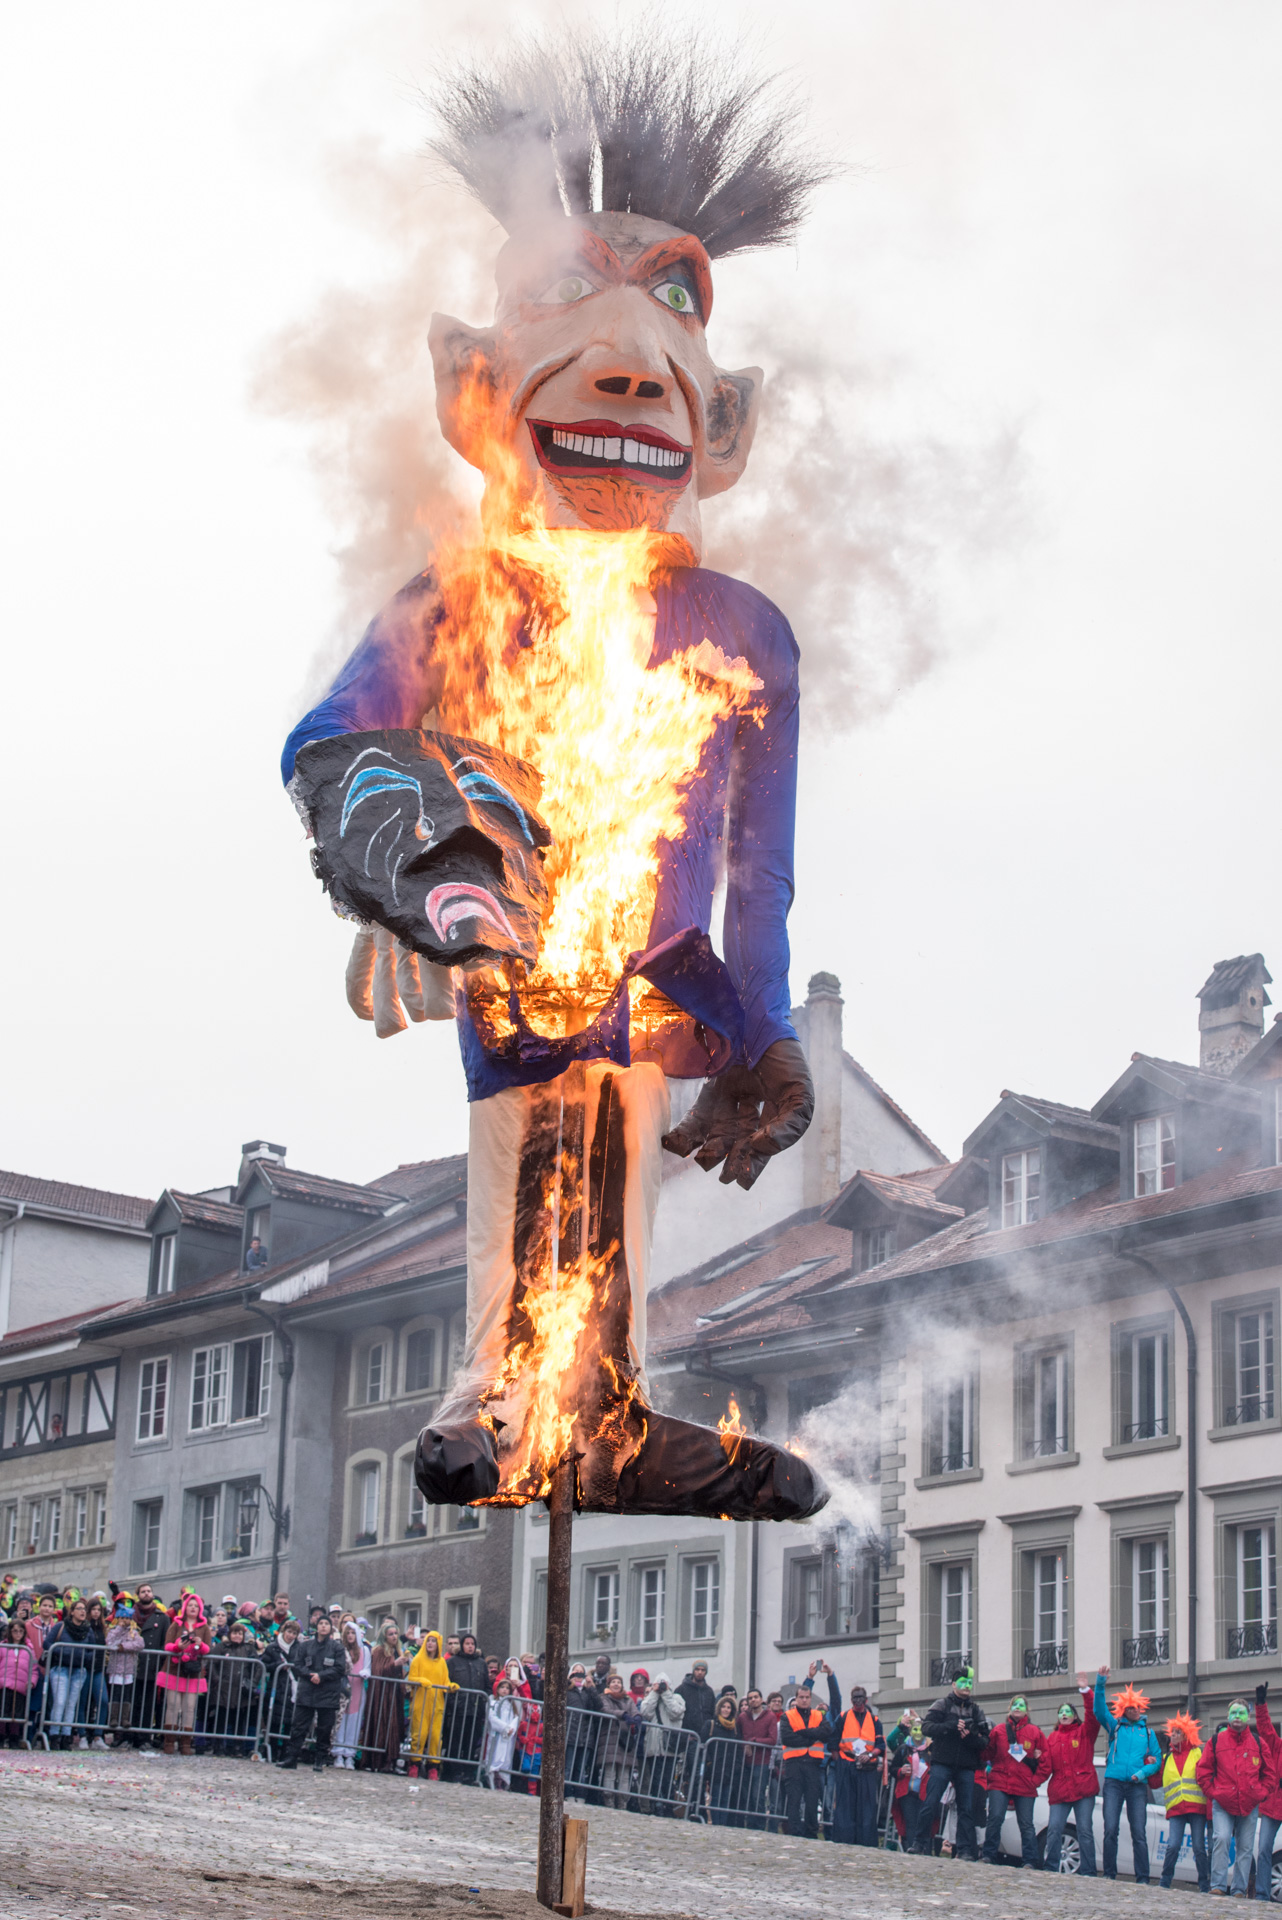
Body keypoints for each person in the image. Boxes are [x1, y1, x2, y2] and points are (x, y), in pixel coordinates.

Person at [1197, 1697, 1270, 1897]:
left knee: (1245, 1848)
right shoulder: (1216, 1740)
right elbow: (1202, 1771)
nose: (1237, 1716)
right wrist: (1213, 1792)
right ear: (1228, 1716)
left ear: (1248, 1716)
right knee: (1221, 1838)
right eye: (1234, 1713)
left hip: (1249, 1804)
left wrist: (1260, 1793)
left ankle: (1239, 1889)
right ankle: (1218, 1886)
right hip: (1223, 1803)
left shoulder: (1258, 1742)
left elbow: (1269, 1774)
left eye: (1241, 1713)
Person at [915, 1667, 990, 1861]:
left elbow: (984, 1741)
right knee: (931, 1802)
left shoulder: (976, 1710)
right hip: (942, 1762)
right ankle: (920, 1842)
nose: (967, 1686)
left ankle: (964, 1849)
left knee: (966, 1808)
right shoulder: (942, 1705)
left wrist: (969, 1737)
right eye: (963, 1683)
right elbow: (926, 1727)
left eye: (969, 1683)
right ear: (954, 1684)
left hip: (966, 1765)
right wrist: (950, 1726)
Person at [1094, 1668, 1159, 1885]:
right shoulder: (1115, 1726)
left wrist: (1141, 1773)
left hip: (1137, 1786)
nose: (1136, 1711)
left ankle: (1143, 1878)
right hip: (1113, 1782)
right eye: (1132, 1708)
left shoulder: (1148, 1733)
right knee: (1110, 1828)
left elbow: (1157, 1760)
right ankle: (1110, 1874)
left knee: (1138, 1832)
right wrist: (1100, 1683)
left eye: (1138, 1707)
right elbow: (1099, 1710)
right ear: (1124, 1710)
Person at [981, 1692, 1049, 1867]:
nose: (1017, 1708)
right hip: (1000, 1782)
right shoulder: (998, 1731)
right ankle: (988, 1855)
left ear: (1027, 1710)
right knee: (995, 1818)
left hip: (1025, 1786)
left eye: (1021, 1705)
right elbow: (986, 1754)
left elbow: (1046, 1762)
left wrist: (1034, 1781)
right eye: (1014, 1705)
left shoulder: (1035, 1732)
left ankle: (1030, 1861)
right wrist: (982, 1740)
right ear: (1009, 1709)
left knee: (1026, 1824)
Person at [1044, 1676, 1100, 1876]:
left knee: (1084, 1830)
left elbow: (1093, 1716)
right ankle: (1051, 1868)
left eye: (1068, 1711)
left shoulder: (1085, 1732)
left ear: (1075, 1716)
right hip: (1060, 1791)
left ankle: (1088, 1870)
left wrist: (1086, 1691)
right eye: (1061, 1712)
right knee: (1054, 1829)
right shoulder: (1052, 1738)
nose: (1064, 1714)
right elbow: (1045, 1765)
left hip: (1083, 1790)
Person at [780, 1666, 841, 1840]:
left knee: (812, 1800)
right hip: (794, 1763)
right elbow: (787, 1738)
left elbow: (826, 1732)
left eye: (807, 1697)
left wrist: (804, 1734)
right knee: (794, 1799)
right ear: (796, 1698)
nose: (805, 1700)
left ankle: (811, 1832)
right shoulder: (788, 1716)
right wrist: (812, 1737)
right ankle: (795, 1832)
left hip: (813, 1763)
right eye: (801, 1697)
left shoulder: (818, 1715)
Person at [280, 1614, 347, 1771]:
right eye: (321, 1623)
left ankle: (319, 1760)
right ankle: (291, 1758)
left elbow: (339, 1668)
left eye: (326, 1623)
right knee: (298, 1726)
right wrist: (310, 1675)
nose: (323, 1626)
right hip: (307, 1691)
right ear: (317, 1627)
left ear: (331, 1628)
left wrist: (321, 1676)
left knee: (324, 1729)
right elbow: (298, 1664)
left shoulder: (337, 1648)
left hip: (328, 1693)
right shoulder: (305, 1645)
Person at [1159, 1711, 1209, 1893]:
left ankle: (1204, 1884)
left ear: (1186, 1735)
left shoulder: (1197, 1753)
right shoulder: (1167, 1758)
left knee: (1198, 1847)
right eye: (1172, 1732)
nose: (1173, 1735)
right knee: (1173, 1845)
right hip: (1176, 1808)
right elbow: (1157, 1782)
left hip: (1196, 1806)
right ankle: (1165, 1881)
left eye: (1177, 1732)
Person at [157, 1591, 211, 1757]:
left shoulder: (204, 1627)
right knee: (173, 1705)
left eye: (196, 1606)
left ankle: (186, 1743)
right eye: (190, 1605)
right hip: (174, 1669)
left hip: (193, 1672)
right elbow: (167, 1645)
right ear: (185, 1608)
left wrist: (200, 1645)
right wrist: (177, 1647)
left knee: (189, 1707)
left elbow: (208, 1649)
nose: (193, 1608)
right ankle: (169, 1741)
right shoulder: (176, 1624)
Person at [832, 1681, 885, 1847]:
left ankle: (866, 1842)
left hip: (867, 1768)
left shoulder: (875, 1721)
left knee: (867, 1805)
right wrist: (840, 1762)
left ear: (866, 1700)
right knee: (845, 1804)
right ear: (851, 1700)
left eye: (861, 1698)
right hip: (847, 1764)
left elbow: (881, 1746)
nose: (858, 1701)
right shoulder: (842, 1717)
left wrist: (869, 1755)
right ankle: (844, 1839)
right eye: (855, 1698)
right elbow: (833, 1743)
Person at [43, 1598, 99, 1750]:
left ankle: (66, 1737)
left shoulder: (88, 1630)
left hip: (79, 1670)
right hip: (61, 1668)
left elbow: (93, 1650)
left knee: (71, 1704)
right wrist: (63, 1651)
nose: (82, 1611)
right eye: (79, 1608)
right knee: (60, 1702)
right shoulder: (61, 1626)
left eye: (84, 1609)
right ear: (72, 1611)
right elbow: (47, 1643)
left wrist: (83, 1656)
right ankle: (54, 1735)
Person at [362, 1619, 410, 1772]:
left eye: (396, 1633)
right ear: (384, 1636)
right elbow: (378, 1671)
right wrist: (394, 1664)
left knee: (394, 1726)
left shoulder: (397, 1650)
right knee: (380, 1724)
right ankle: (376, 1760)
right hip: (380, 1695)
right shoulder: (378, 1650)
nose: (394, 1637)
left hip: (394, 1693)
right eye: (391, 1634)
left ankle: (390, 1760)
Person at [205, 1619, 257, 1757]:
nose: (237, 1636)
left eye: (240, 1633)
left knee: (238, 1721)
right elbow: (211, 1663)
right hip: (223, 1689)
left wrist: (252, 1683)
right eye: (234, 1633)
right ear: (230, 1634)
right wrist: (217, 1680)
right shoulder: (222, 1647)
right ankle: (218, 1747)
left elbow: (257, 1666)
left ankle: (235, 1747)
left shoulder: (249, 1649)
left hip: (241, 1690)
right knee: (220, 1719)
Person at [128, 1583, 170, 1749]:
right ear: (138, 1595)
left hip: (152, 1666)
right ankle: (130, 1735)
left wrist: (160, 1665)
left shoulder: (162, 1617)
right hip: (132, 1665)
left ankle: (144, 1737)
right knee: (131, 1702)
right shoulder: (130, 1615)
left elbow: (164, 1643)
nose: (146, 1593)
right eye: (143, 1591)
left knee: (148, 1703)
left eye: (149, 1591)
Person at [444, 1629, 489, 1781]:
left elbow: (486, 1686)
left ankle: (469, 1773)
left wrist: (483, 1703)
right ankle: (453, 1772)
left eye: (472, 1644)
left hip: (475, 1709)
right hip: (457, 1709)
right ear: (462, 1645)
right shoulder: (452, 1662)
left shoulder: (481, 1663)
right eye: (467, 1643)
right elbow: (446, 1683)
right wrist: (452, 1702)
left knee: (471, 1742)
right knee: (455, 1741)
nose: (470, 1646)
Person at [408, 1629, 454, 1779]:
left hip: (437, 1704)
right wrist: (420, 1680)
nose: (430, 1643)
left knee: (435, 1737)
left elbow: (445, 1680)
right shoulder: (418, 1659)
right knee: (419, 1735)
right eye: (428, 1640)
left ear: (438, 1644)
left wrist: (451, 1686)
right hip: (421, 1703)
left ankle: (433, 1767)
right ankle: (414, 1763)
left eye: (433, 1641)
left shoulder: (442, 1662)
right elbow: (411, 1677)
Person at [639, 1673, 687, 1816]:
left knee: (668, 1779)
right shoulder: (651, 1698)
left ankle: (667, 1807)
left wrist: (665, 1693)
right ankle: (656, 1806)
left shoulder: (676, 1698)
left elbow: (676, 1712)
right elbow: (645, 1712)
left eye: (663, 1683)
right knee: (654, 1778)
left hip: (670, 1748)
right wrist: (654, 1693)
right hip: (654, 1746)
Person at [104, 1596, 145, 1750]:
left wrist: (124, 1646)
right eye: (121, 1618)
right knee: (116, 1693)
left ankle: (125, 1718)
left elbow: (139, 1644)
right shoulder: (114, 1631)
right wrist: (119, 1629)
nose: (124, 1621)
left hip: (128, 1669)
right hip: (116, 1668)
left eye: (126, 1619)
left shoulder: (134, 1633)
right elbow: (109, 1642)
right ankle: (114, 1718)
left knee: (126, 1694)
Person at [737, 1688, 781, 1831]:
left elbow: (773, 1740)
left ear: (761, 1699)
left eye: (756, 1697)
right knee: (747, 1795)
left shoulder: (770, 1717)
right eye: (750, 1698)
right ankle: (749, 1826)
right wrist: (745, 1744)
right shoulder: (743, 1717)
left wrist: (754, 1741)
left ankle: (760, 1827)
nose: (753, 1700)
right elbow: (738, 1736)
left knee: (758, 1796)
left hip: (762, 1762)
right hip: (746, 1762)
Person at [887, 1712, 931, 1852]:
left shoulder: (931, 1750)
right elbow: (893, 1768)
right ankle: (913, 1849)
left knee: (925, 1823)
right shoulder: (903, 1749)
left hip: (925, 1793)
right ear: (910, 1731)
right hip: (908, 1793)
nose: (918, 1733)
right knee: (911, 1823)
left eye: (920, 1729)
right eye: (915, 1729)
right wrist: (900, 1771)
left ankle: (927, 1852)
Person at [261, 1618, 303, 1763]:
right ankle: (271, 1750)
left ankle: (286, 1752)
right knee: (274, 1721)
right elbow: (264, 1665)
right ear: (284, 1631)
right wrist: (278, 1665)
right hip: (276, 1688)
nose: (291, 1635)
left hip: (292, 1690)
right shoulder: (273, 1647)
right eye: (289, 1632)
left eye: (294, 1633)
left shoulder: (299, 1648)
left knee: (290, 1723)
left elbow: (303, 1666)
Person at [597, 1673, 639, 1809]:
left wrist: (637, 1717)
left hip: (625, 1740)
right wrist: (623, 1714)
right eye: (613, 1682)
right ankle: (609, 1801)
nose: (616, 1684)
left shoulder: (628, 1700)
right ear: (608, 1684)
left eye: (619, 1682)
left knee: (624, 1774)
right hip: (610, 1738)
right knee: (610, 1772)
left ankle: (623, 1802)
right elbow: (605, 1710)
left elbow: (635, 1711)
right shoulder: (603, 1698)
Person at [566, 1663, 606, 1801]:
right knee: (568, 1767)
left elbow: (599, 1706)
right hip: (570, 1734)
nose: (578, 1677)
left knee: (581, 1769)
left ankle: (580, 1795)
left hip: (586, 1735)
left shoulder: (588, 1692)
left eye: (581, 1674)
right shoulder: (567, 1691)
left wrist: (592, 1688)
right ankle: (567, 1793)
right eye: (575, 1673)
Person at [334, 1621, 370, 1769]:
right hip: (342, 1689)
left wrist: (365, 1673)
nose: (350, 1636)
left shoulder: (364, 1651)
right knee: (340, 1720)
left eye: (352, 1633)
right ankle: (338, 1753)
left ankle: (349, 1755)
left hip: (357, 1689)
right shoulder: (340, 1649)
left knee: (353, 1722)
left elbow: (367, 1667)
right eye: (347, 1633)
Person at [706, 1694, 745, 1826]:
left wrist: (737, 1765)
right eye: (723, 1706)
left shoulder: (734, 1728)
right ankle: (716, 1823)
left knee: (726, 1798)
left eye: (729, 1707)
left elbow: (739, 1748)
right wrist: (709, 1763)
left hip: (730, 1768)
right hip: (716, 1767)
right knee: (716, 1797)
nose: (726, 1710)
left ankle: (723, 1824)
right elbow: (704, 1746)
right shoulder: (711, 1724)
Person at [0, 1617, 36, 1748]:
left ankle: (14, 1738)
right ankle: (2, 1736)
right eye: (15, 1631)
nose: (18, 1634)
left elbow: (34, 1669)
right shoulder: (3, 1646)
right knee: (3, 1711)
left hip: (21, 1686)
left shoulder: (28, 1649)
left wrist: (32, 1682)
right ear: (10, 1632)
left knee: (17, 1713)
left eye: (20, 1631)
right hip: (4, 1684)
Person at [484, 1678, 522, 1789]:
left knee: (506, 1757)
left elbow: (516, 1718)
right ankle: (492, 1777)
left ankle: (502, 1779)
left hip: (508, 1737)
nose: (505, 1690)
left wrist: (511, 1728)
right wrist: (504, 1727)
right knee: (494, 1754)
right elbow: (492, 1717)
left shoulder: (512, 1704)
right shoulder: (493, 1702)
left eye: (507, 1688)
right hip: (497, 1734)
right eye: (502, 1687)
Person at [676, 1661, 716, 1744]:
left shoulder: (709, 1691)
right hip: (688, 1737)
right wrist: (684, 1736)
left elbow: (713, 1712)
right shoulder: (682, 1689)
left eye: (703, 1670)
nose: (700, 1672)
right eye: (697, 1669)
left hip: (706, 1738)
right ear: (693, 1671)